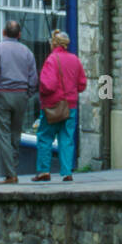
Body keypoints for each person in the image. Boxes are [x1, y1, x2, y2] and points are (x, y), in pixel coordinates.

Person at [0, 19, 38, 184]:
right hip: (21, 95)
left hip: (1, 95)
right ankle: (14, 167)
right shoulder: (27, 52)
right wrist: (28, 94)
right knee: (15, 134)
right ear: (19, 34)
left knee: (2, 135)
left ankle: (10, 173)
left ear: (4, 33)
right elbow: (33, 78)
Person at [33, 30, 88, 182]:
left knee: (45, 136)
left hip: (53, 106)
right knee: (67, 138)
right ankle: (66, 171)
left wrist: (42, 91)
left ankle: (44, 170)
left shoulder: (51, 59)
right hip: (70, 106)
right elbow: (82, 85)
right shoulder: (75, 59)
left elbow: (48, 85)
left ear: (54, 43)